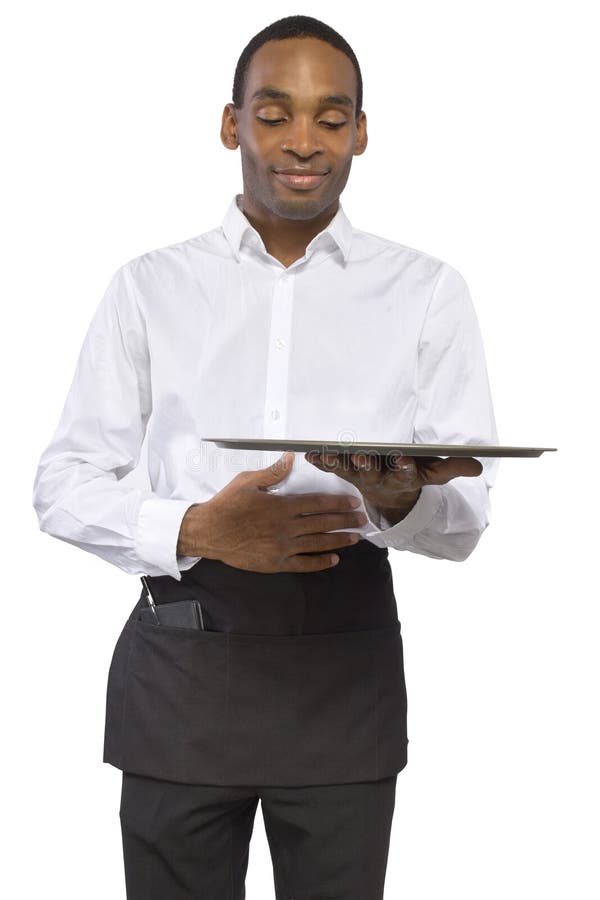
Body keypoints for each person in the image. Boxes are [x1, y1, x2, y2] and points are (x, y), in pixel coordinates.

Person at [32, 14, 499, 900]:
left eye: (332, 117)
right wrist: (204, 526)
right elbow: (61, 485)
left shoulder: (427, 292)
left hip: (342, 671)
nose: (303, 142)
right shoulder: (149, 286)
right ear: (231, 123)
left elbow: (467, 522)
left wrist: (399, 504)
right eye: (275, 112)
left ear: (361, 130)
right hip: (181, 667)